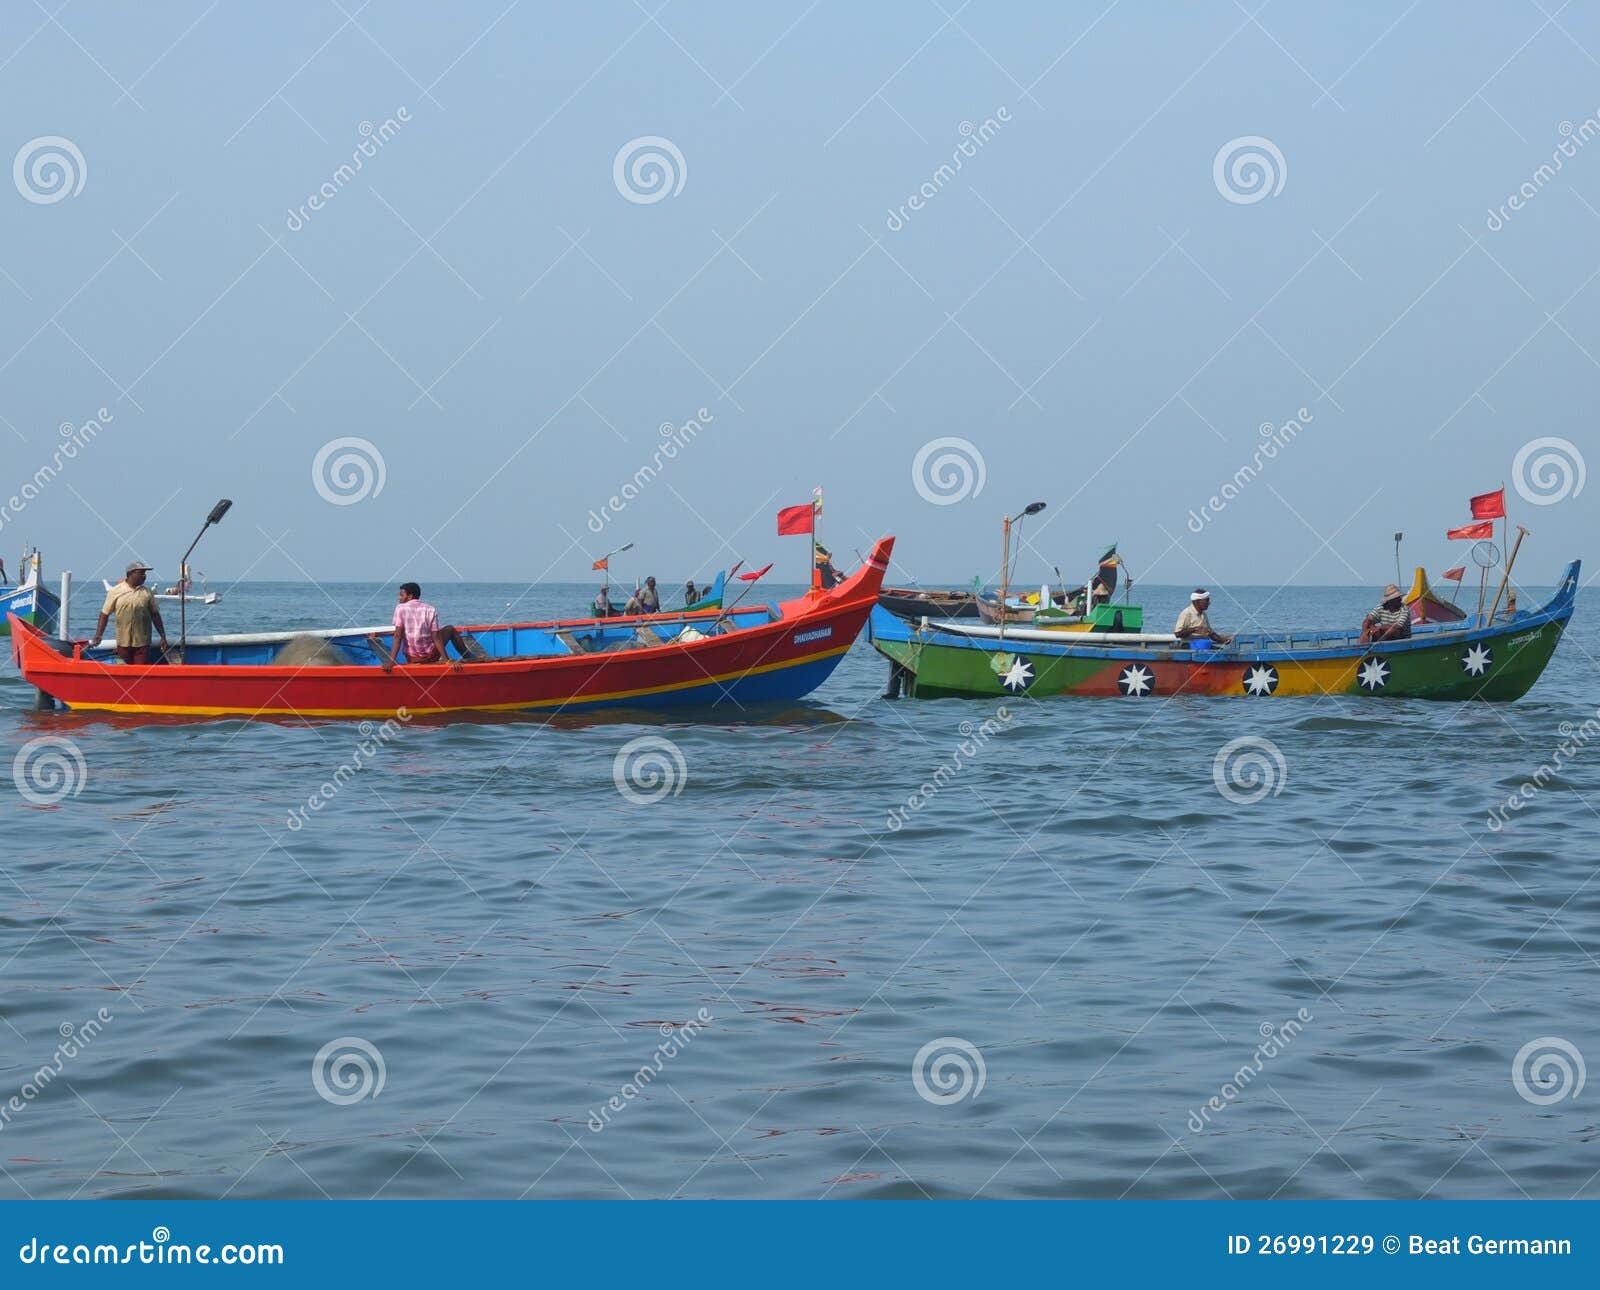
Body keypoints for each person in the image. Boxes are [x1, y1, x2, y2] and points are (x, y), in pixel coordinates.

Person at [382, 582, 477, 671]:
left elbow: (397, 636)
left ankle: (462, 658)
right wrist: (446, 660)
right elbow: (436, 637)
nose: (399, 598)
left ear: (410, 596)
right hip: (431, 656)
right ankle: (469, 657)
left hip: (412, 659)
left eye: (401, 595)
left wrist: (391, 661)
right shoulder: (430, 609)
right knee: (450, 629)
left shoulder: (400, 608)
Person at [91, 561, 169, 663]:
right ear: (131, 574)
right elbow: (104, 614)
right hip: (123, 643)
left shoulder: (147, 593)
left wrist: (163, 636)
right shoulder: (115, 591)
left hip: (142, 643)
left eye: (145, 573)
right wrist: (98, 635)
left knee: (141, 670)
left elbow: (155, 615)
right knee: (123, 669)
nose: (144, 576)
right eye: (141, 573)